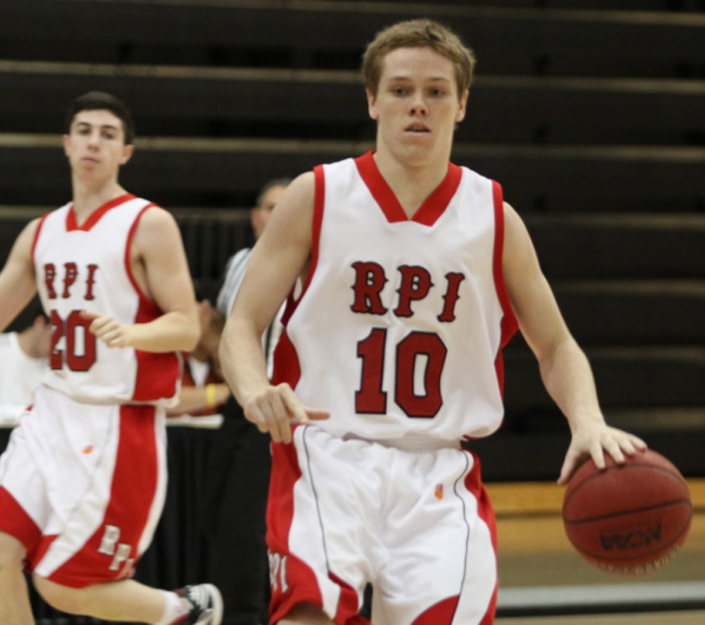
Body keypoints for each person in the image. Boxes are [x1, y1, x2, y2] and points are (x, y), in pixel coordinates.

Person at [219, 20, 645, 625]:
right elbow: (241, 324)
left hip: (438, 472)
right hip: (328, 455)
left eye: (436, 91)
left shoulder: (493, 218)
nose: (417, 104)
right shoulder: (318, 195)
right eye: (400, 90)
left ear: (461, 103)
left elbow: (556, 345)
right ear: (373, 100)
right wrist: (252, 389)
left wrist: (588, 420)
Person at [0, 91, 223, 625]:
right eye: (84, 131)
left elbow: (185, 325)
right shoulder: (41, 232)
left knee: (62, 584)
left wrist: (133, 333)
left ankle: (186, 609)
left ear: (125, 152)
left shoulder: (148, 222)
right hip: (50, 413)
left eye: (108, 135)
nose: (94, 142)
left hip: (116, 420)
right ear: (66, 144)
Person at [200, 177, 290, 625]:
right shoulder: (238, 261)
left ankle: (247, 614)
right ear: (256, 217)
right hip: (237, 403)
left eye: (285, 207)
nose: (277, 215)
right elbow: (222, 333)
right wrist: (205, 332)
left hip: (278, 401)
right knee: (217, 508)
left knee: (250, 520)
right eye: (270, 207)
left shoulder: (311, 263)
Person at [168, 300, 229, 417]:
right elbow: (165, 400)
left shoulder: (217, 372)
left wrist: (229, 379)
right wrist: (224, 392)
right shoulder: (174, 357)